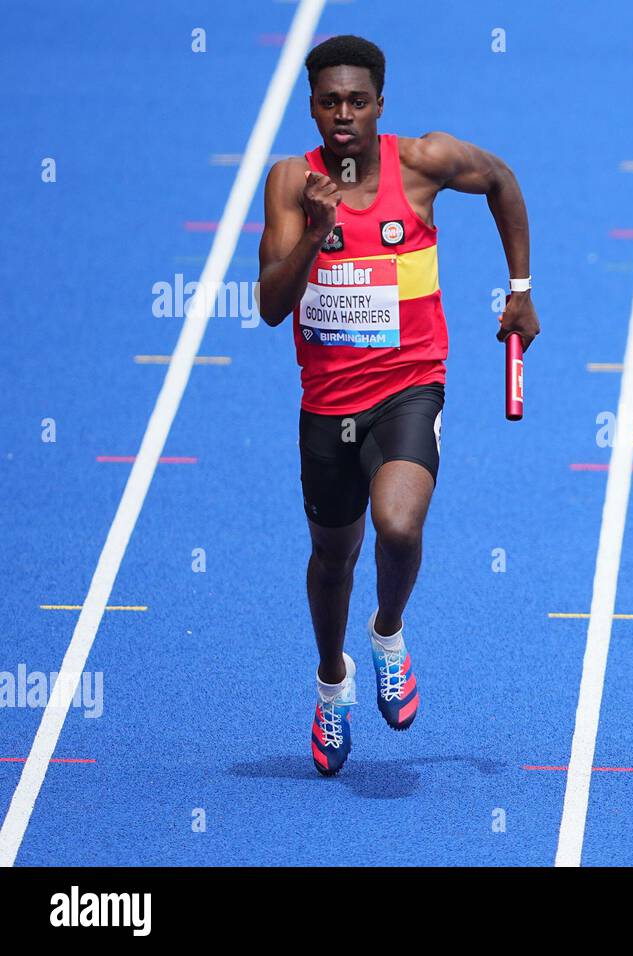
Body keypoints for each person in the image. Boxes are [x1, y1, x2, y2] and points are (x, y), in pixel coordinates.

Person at [257, 35, 539, 776]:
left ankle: (388, 633)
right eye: (329, 102)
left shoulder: (422, 163)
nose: (343, 114)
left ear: (380, 104)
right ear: (312, 108)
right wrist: (316, 235)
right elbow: (269, 306)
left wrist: (520, 293)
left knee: (400, 523)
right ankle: (330, 681)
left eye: (357, 101)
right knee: (331, 559)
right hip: (326, 402)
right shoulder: (291, 182)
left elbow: (503, 180)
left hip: (411, 383)